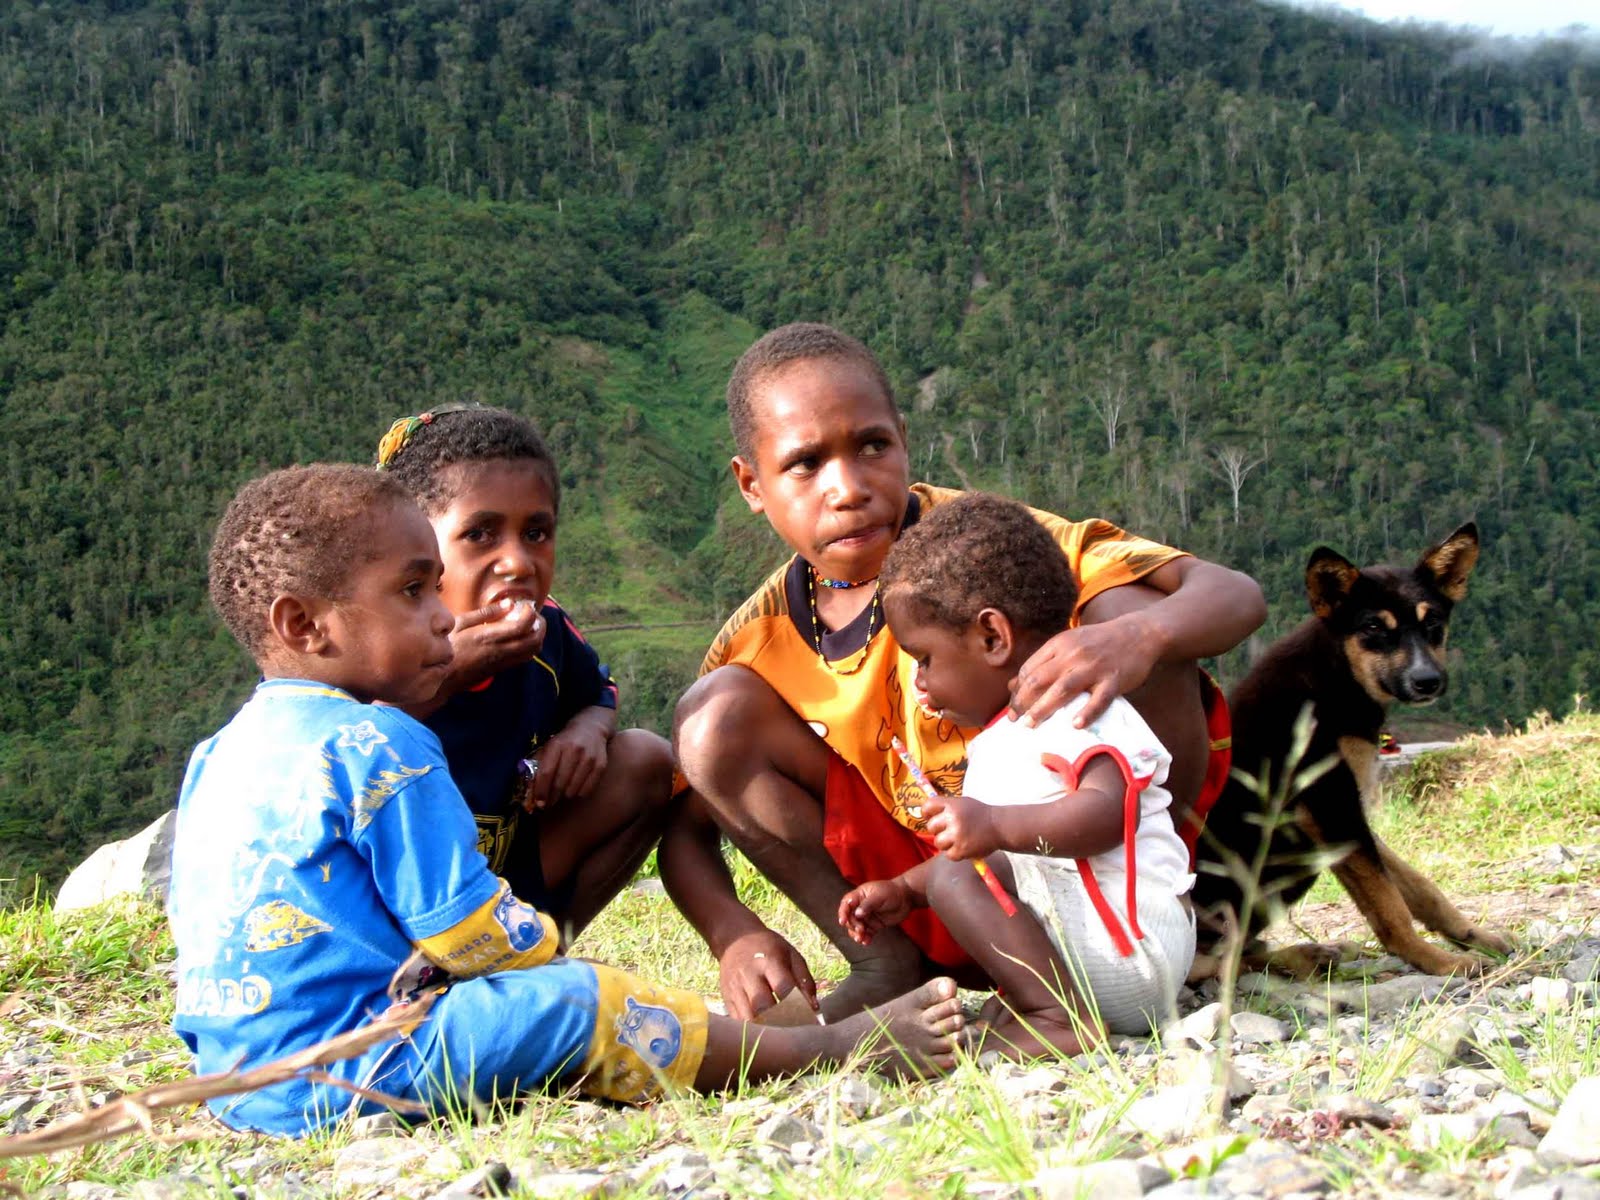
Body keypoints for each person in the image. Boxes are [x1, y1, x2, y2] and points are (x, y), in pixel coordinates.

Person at [168, 464, 967, 1136]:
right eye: (414, 591)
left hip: (239, 1078)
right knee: (583, 1004)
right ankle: (828, 1051)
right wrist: (552, 967)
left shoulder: (219, 751)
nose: (442, 614)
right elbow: (464, 927)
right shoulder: (379, 741)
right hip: (356, 1069)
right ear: (304, 624)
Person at [668, 322, 1263, 1024]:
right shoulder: (756, 636)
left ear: (902, 438)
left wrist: (1140, 636)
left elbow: (1232, 595)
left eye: (871, 446)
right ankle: (886, 962)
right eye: (805, 464)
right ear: (751, 484)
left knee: (1129, 609)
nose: (848, 488)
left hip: (1083, 862)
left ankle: (1155, 916)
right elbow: (683, 832)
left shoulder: (987, 543)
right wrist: (734, 934)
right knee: (711, 719)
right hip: (926, 884)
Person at [839, 493, 1197, 1056]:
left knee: (958, 875)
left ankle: (1057, 1018)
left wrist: (994, 826)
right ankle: (1047, 1001)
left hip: (1135, 949)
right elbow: (1003, 857)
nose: (919, 684)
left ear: (992, 637)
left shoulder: (1071, 707)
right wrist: (904, 891)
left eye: (924, 658)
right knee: (957, 872)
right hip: (1101, 945)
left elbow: (1108, 814)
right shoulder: (1004, 737)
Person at [374, 405, 672, 944]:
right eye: (480, 534)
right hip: (394, 911)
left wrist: (587, 731)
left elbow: (598, 691)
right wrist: (449, 674)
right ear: (418, 546)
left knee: (647, 761)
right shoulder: (377, 651)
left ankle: (540, 953)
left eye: (536, 532)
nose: (517, 561)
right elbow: (329, 763)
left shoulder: (546, 632)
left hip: (500, 877)